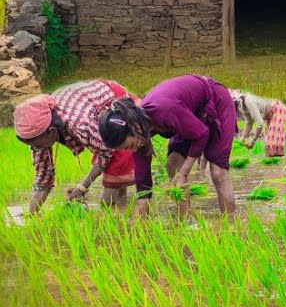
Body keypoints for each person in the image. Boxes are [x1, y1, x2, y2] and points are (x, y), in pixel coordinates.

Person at [98, 74, 238, 216]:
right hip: (187, 114)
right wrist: (140, 216)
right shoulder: (138, 131)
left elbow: (201, 134)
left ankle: (230, 221)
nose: (133, 150)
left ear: (136, 128)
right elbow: (143, 178)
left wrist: (184, 173)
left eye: (130, 146)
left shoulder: (165, 110)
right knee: (173, 163)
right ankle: (183, 219)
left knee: (217, 170)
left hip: (215, 99)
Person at [14, 80, 138, 214]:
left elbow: (105, 151)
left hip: (116, 109)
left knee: (107, 199)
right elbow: (43, 177)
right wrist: (32, 214)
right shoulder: (38, 136)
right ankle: (122, 205)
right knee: (116, 185)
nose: (37, 148)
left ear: (52, 131)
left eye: (38, 145)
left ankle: (122, 216)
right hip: (96, 120)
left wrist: (82, 187)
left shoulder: (80, 124)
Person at [230, 89, 286, 156]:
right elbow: (249, 122)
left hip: (278, 109)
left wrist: (253, 141)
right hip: (269, 115)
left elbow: (260, 123)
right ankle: (272, 159)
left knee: (272, 139)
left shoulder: (249, 101)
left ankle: (276, 159)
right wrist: (243, 138)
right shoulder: (241, 107)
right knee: (268, 139)